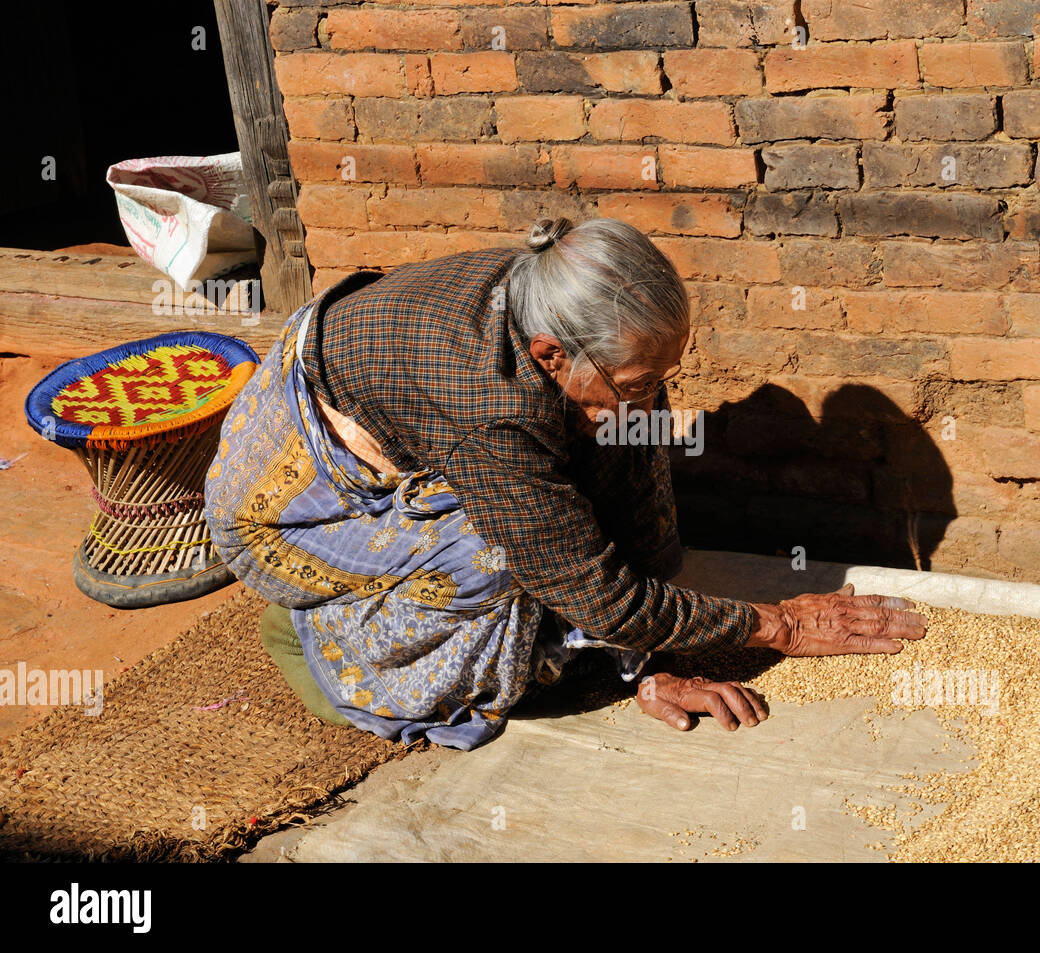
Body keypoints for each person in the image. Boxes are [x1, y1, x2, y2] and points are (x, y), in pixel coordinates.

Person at [204, 216, 927, 750]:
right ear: (550, 355)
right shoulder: (491, 415)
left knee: (624, 427)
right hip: (292, 513)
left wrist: (651, 655)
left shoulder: (552, 300)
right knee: (497, 557)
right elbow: (596, 591)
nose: (652, 398)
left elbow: (612, 524)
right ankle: (342, 645)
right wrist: (780, 625)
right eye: (638, 379)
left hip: (423, 420)